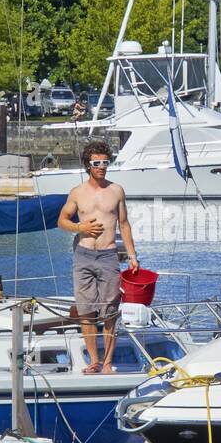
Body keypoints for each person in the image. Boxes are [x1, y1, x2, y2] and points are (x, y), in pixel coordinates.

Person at [59, 140, 139, 374]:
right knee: (86, 310)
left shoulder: (116, 191)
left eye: (105, 162)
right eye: (97, 163)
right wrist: (80, 228)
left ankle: (107, 364)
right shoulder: (77, 192)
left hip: (108, 255)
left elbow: (124, 224)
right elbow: (62, 220)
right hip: (83, 255)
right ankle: (94, 360)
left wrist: (132, 256)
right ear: (87, 165)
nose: (102, 167)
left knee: (110, 311)